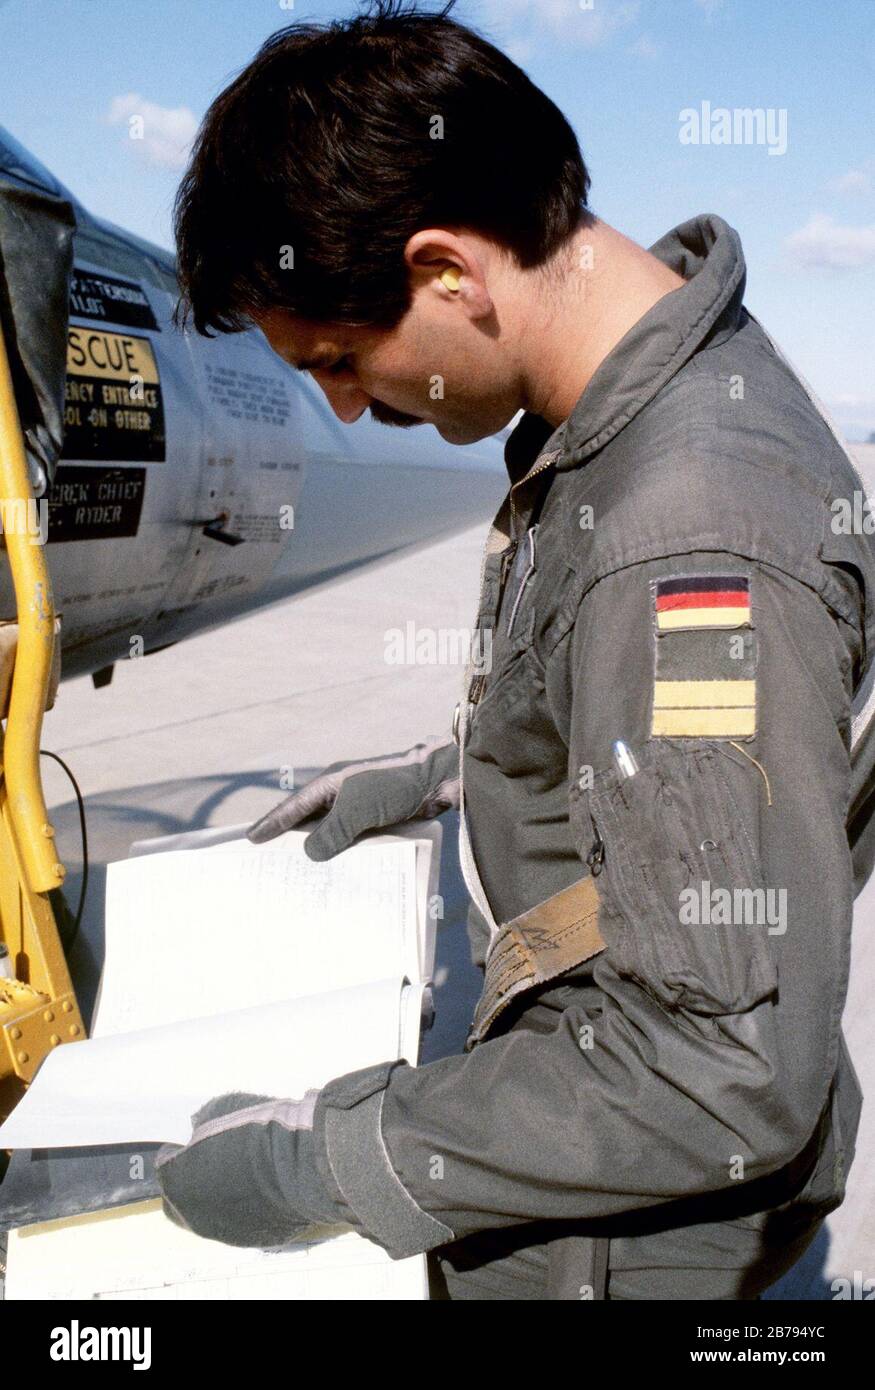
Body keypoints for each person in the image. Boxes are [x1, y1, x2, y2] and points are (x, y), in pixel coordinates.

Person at [155, 0, 874, 1300]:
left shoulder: (691, 538)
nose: (344, 405)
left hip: (624, 1239)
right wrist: (455, 773)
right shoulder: (633, 410)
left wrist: (331, 1159)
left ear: (448, 273)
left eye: (340, 357)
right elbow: (637, 732)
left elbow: (727, 1068)